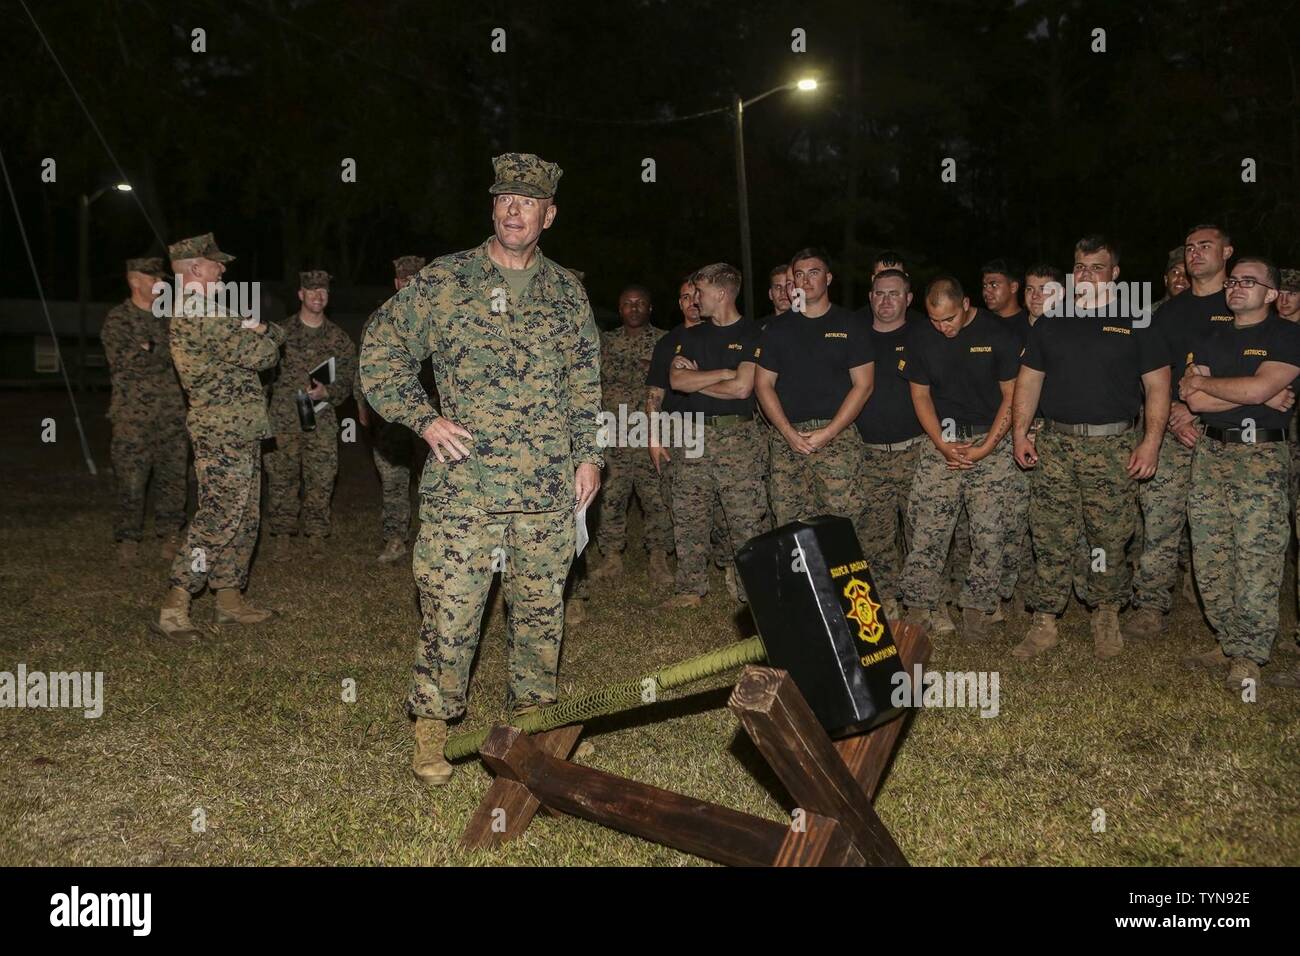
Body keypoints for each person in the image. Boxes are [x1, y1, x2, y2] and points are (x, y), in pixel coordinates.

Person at [360, 153, 602, 786]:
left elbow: (585, 385)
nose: (513, 209)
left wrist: (589, 457)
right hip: (464, 487)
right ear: (493, 207)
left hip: (548, 485)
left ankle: (533, 725)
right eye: (504, 198)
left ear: (549, 215)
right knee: (450, 608)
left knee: (541, 608)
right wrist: (423, 418)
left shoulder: (566, 293)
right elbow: (381, 352)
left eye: (527, 202)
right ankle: (433, 730)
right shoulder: (446, 281)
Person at [1011, 235, 1170, 659]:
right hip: (1056, 444)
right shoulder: (1052, 320)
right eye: (1080, 267)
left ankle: (1105, 613)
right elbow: (1029, 380)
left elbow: (1158, 386)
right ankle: (1045, 619)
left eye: (1096, 267)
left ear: (1115, 273)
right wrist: (1020, 432)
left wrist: (1151, 442)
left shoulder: (1136, 319)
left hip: (1113, 444)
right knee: (1049, 532)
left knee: (1108, 536)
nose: (1086, 274)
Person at [155, 233, 285, 638]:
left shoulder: (210, 311)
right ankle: (176, 601)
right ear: (196, 268)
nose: (223, 269)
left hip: (240, 428)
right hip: (221, 431)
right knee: (218, 518)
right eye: (216, 263)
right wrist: (266, 333)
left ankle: (228, 600)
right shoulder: (200, 312)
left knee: (244, 518)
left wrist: (263, 332)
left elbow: (263, 344)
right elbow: (264, 355)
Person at [1180, 257, 1300, 692]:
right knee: (1211, 554)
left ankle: (1248, 655)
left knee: (1256, 557)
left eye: (1249, 281)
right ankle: (1228, 639)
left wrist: (1246, 389)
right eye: (1233, 280)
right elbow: (1193, 401)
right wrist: (1256, 392)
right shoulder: (1210, 334)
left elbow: (1254, 388)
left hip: (1260, 457)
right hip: (1211, 452)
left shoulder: (1287, 335)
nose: (1237, 286)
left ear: (1271, 294)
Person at [1127, 225, 1235, 638]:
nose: (1195, 253)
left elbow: (1253, 370)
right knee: (1159, 519)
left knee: (1220, 528)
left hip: (1226, 434)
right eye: (1190, 247)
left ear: (1227, 252)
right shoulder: (1168, 313)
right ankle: (1151, 605)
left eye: (1205, 246)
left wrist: (1199, 409)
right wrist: (1174, 410)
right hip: (1172, 430)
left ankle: (1224, 616)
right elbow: (1153, 374)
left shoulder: (1242, 304)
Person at [899, 276, 1020, 640]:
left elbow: (1012, 399)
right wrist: (940, 443)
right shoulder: (922, 338)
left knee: (988, 531)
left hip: (988, 439)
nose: (943, 327)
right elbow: (920, 397)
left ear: (966, 304)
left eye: (948, 319)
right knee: (928, 528)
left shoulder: (999, 334)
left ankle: (976, 610)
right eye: (935, 320)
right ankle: (920, 606)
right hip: (943, 441)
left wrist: (985, 448)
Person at [659, 263, 768, 608]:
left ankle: (750, 591)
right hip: (693, 438)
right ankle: (690, 589)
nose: (695, 301)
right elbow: (676, 382)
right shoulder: (690, 337)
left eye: (701, 293)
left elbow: (742, 389)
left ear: (721, 294)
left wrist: (701, 380)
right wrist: (722, 372)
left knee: (745, 519)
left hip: (738, 440)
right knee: (689, 516)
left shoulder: (754, 333)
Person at [756, 248, 874, 537]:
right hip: (788, 440)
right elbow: (763, 385)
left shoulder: (851, 325)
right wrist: (787, 433)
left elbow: (864, 385)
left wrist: (829, 432)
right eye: (799, 274)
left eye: (814, 272)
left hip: (837, 440)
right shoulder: (776, 329)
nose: (805, 281)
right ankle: (803, 583)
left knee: (841, 523)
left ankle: (842, 583)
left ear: (829, 278)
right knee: (790, 524)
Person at [101, 256, 188, 564]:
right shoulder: (118, 320)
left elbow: (183, 356)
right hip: (132, 416)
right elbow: (127, 360)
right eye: (153, 279)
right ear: (134, 281)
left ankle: (170, 536)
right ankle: (128, 539)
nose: (160, 283)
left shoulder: (171, 318)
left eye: (162, 279)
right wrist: (155, 352)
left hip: (173, 415)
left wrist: (151, 348)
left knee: (174, 477)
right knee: (131, 479)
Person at [264, 270, 357, 556]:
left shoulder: (339, 340)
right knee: (281, 476)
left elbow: (348, 379)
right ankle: (282, 532)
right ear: (301, 294)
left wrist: (328, 392)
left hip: (321, 420)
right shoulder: (279, 334)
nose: (318, 296)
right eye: (312, 291)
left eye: (324, 292)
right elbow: (263, 376)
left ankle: (316, 532)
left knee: (322, 476)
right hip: (284, 418)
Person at [590, 284, 672, 585]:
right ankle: (611, 557)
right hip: (614, 435)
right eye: (627, 303)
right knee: (611, 497)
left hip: (651, 434)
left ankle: (659, 557)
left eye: (640, 303)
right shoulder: (605, 343)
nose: (633, 308)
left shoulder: (665, 341)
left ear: (650, 308)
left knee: (656, 498)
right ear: (619, 308)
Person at [855, 268, 924, 619]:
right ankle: (886, 603)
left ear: (908, 298)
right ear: (870, 297)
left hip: (916, 450)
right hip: (869, 454)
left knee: (920, 532)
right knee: (875, 535)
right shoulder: (855, 334)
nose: (886, 301)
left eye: (894, 294)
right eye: (879, 293)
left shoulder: (924, 334)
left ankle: (924, 604)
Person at [357, 256, 426, 564]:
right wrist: (361, 403)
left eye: (414, 278)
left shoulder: (438, 317)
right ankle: (395, 539)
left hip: (432, 415)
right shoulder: (379, 319)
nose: (408, 283)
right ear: (396, 282)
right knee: (394, 481)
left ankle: (433, 541)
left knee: (434, 482)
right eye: (403, 279)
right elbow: (364, 366)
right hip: (391, 416)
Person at [980, 258, 1031, 344]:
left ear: (1013, 287)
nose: (986, 291)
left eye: (994, 285)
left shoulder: (1030, 325)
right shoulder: (980, 323)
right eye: (984, 286)